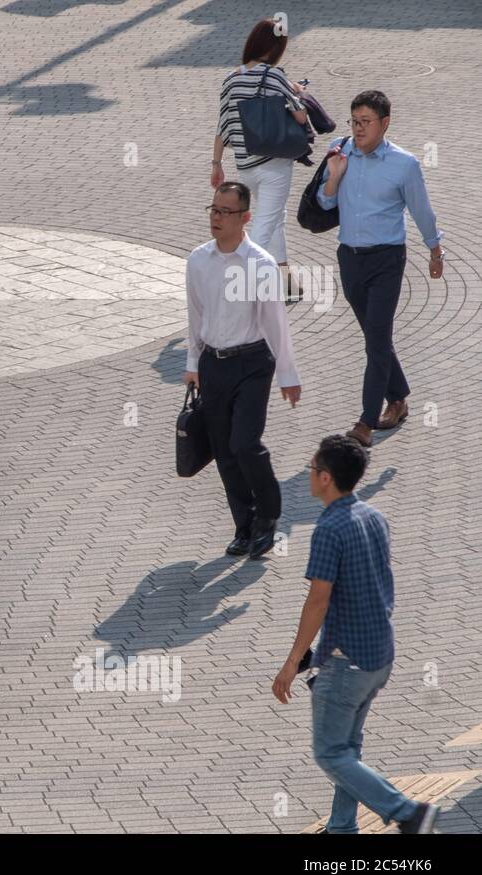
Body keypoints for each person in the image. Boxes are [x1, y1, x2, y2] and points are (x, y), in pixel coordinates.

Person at [272, 435, 437, 834]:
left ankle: (407, 812)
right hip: (379, 653)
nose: (308, 477)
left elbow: (318, 600)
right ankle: (342, 826)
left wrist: (294, 660)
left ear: (326, 478)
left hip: (348, 663)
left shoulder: (329, 528)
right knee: (348, 746)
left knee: (330, 753)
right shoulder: (373, 516)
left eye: (311, 470)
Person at [316, 90, 443, 448]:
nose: (358, 130)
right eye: (354, 122)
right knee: (376, 338)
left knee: (376, 340)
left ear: (384, 124)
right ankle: (399, 396)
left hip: (387, 260)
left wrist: (435, 250)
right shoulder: (341, 153)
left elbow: (421, 210)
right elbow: (325, 203)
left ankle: (365, 422)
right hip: (349, 259)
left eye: (365, 123)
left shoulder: (404, 164)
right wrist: (334, 175)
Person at [184, 182, 301, 559]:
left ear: (245, 218)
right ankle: (244, 524)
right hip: (212, 365)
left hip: (252, 364)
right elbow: (195, 316)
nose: (216, 218)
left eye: (225, 212)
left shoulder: (261, 265)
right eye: (213, 209)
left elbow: (274, 323)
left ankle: (268, 517)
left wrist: (288, 375)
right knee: (224, 451)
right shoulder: (198, 260)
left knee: (245, 444)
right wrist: (192, 364)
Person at [211, 17, 310, 302]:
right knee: (264, 226)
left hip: (246, 167)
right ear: (276, 46)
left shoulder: (231, 79)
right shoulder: (276, 76)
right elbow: (300, 115)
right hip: (275, 163)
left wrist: (216, 165)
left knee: (275, 218)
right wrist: (298, 92)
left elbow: (222, 126)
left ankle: (286, 281)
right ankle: (228, 280)